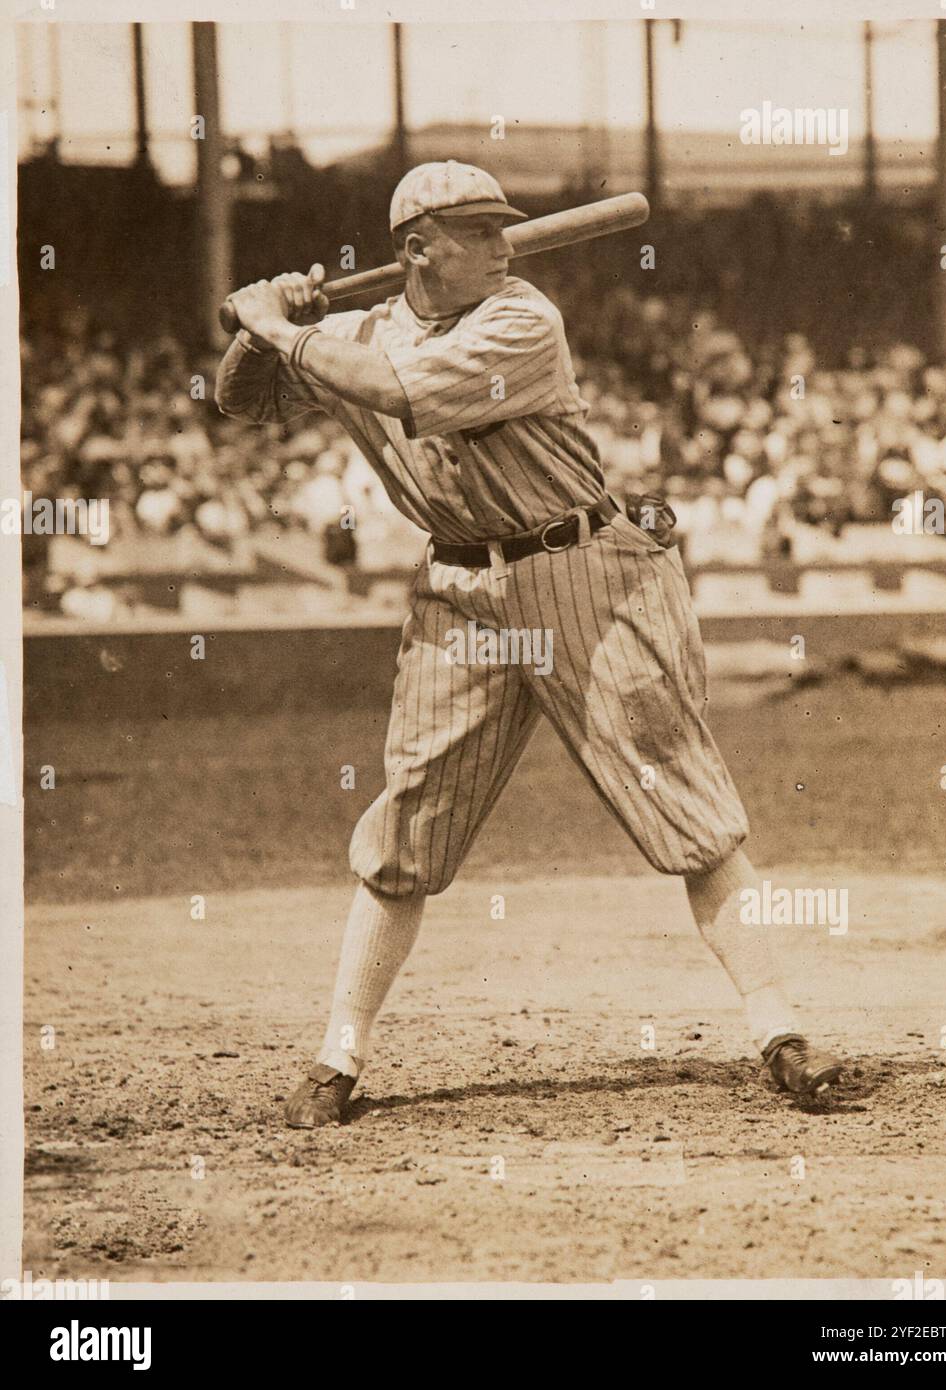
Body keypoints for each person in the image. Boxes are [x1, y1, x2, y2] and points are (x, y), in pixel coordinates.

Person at [215, 161, 844, 1128]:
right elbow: (243, 400)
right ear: (418, 250)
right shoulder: (351, 329)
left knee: (686, 806)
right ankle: (338, 1054)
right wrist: (268, 325)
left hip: (585, 569)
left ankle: (781, 1030)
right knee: (408, 823)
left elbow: (387, 385)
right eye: (479, 231)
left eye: (503, 227)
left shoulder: (520, 320)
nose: (505, 244)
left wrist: (283, 328)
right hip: (457, 590)